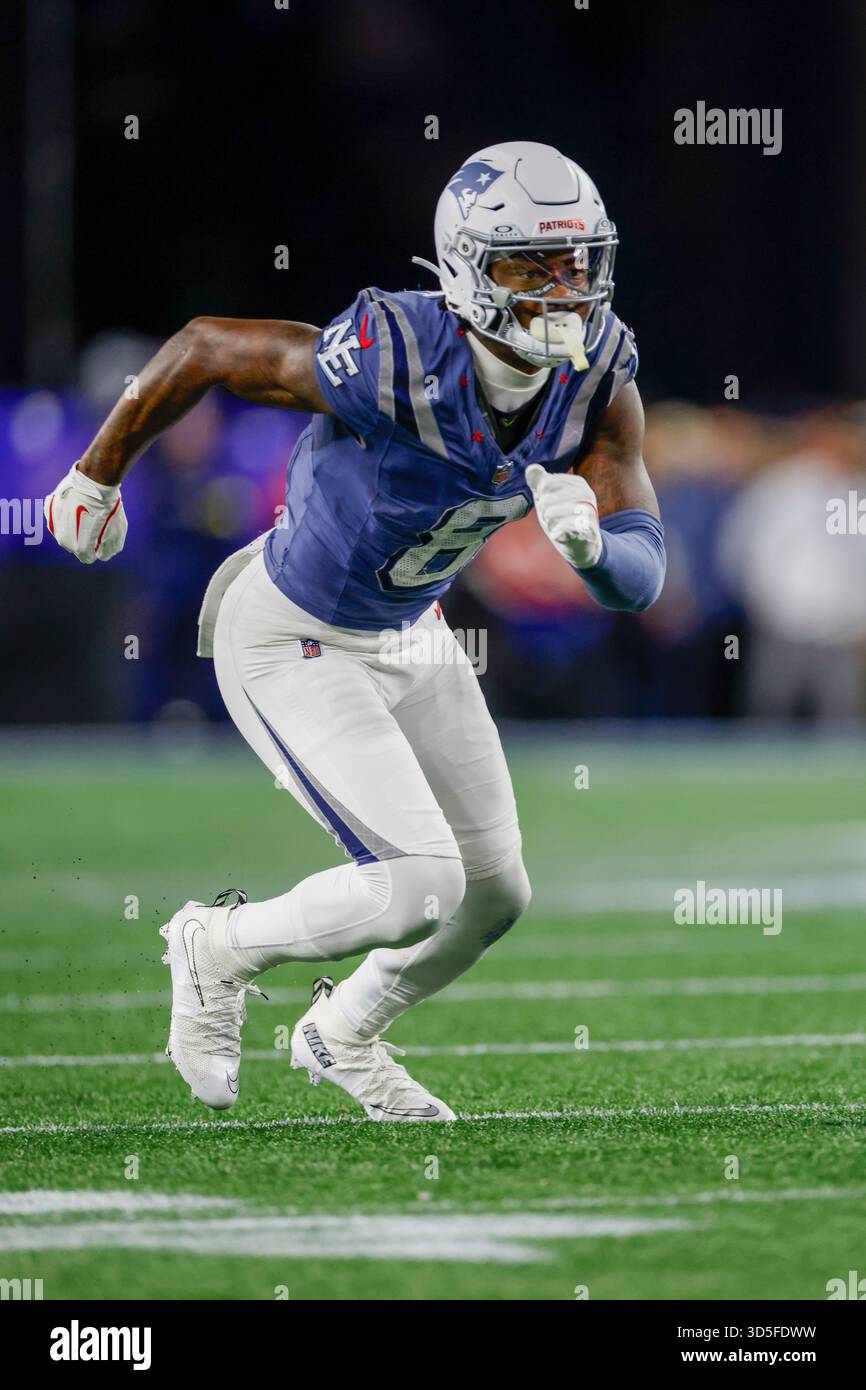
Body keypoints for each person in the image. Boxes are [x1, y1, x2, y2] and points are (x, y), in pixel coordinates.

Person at [44, 141, 666, 1121]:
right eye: (528, 266)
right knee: (419, 884)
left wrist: (590, 551)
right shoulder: (397, 356)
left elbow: (641, 572)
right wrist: (96, 472)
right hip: (289, 628)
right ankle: (212, 946)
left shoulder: (595, 379)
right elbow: (207, 344)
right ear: (465, 269)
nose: (561, 290)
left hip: (406, 630)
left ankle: (340, 1033)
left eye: (575, 262)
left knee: (494, 896)